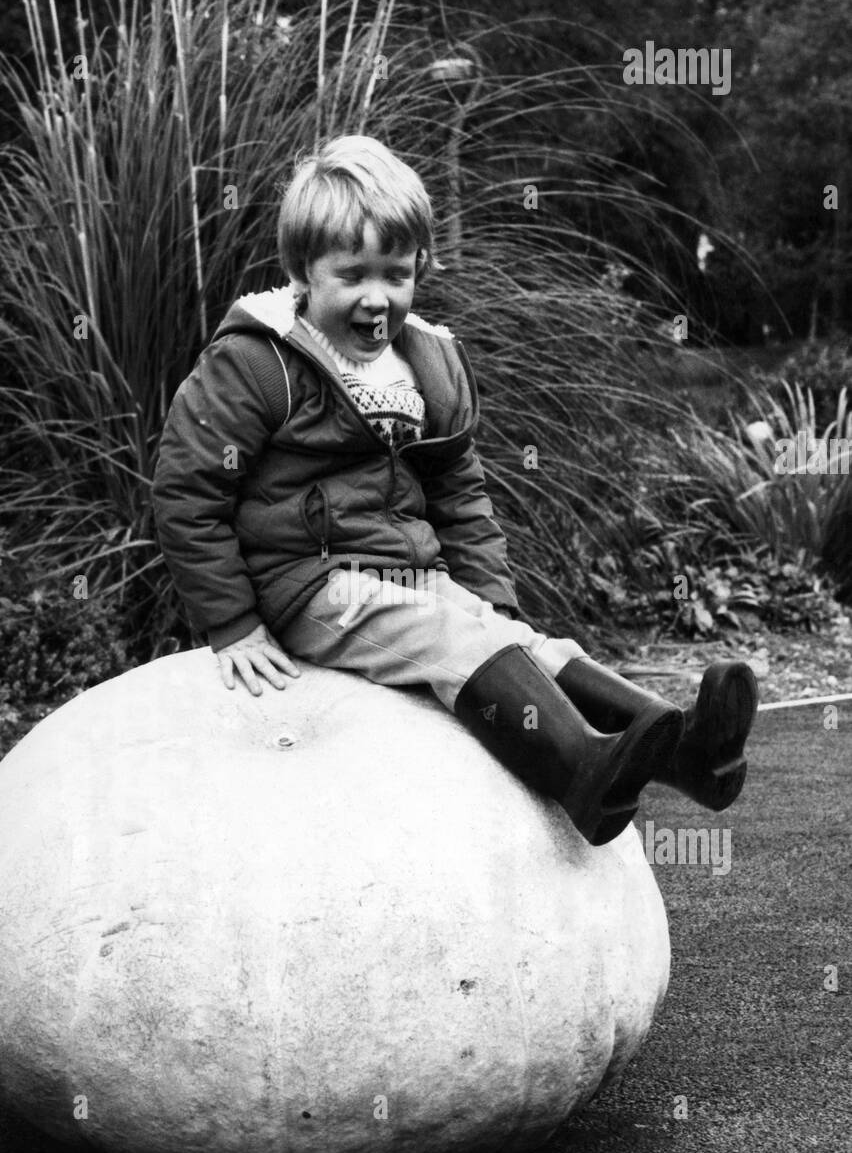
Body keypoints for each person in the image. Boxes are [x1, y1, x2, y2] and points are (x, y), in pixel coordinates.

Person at [152, 135, 757, 847]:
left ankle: (682, 748)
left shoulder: (425, 364)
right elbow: (186, 488)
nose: (377, 297)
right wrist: (233, 623)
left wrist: (489, 601)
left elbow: (460, 493)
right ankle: (582, 769)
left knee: (518, 638)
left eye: (396, 274)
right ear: (301, 273)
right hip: (307, 584)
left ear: (420, 270)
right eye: (352, 274)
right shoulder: (258, 362)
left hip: (410, 574)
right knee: (440, 634)